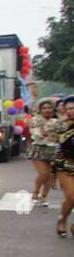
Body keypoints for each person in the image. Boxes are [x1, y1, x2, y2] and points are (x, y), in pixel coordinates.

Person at [26, 97, 61, 209]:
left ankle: (44, 196)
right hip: (39, 149)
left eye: (49, 108)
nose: (47, 110)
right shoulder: (35, 120)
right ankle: (35, 192)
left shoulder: (56, 122)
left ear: (53, 109)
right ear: (40, 110)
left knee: (51, 175)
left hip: (54, 149)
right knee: (43, 173)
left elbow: (64, 132)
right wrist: (40, 134)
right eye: (44, 108)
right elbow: (34, 132)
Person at [54, 96, 74, 237]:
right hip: (67, 165)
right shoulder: (62, 124)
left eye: (73, 108)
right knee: (72, 197)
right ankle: (62, 220)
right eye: (68, 108)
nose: (71, 111)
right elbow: (65, 141)